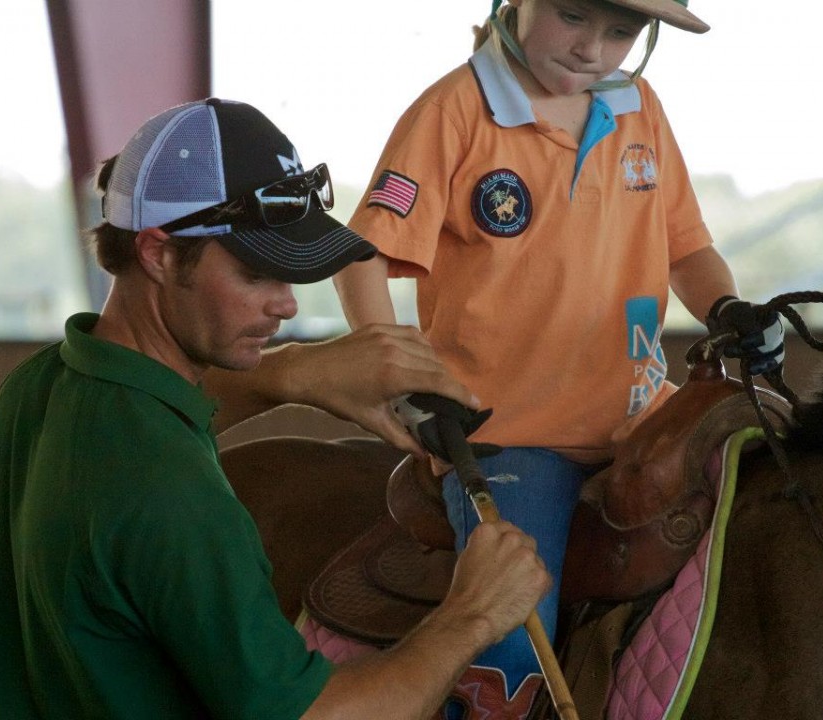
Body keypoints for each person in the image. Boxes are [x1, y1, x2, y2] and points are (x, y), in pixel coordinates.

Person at [0, 98, 552, 720]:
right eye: (257, 274)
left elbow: (142, 427)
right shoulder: (172, 492)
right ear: (158, 253)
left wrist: (291, 374)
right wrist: (472, 615)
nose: (286, 306)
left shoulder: (37, 390)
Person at [333, 0, 785, 702]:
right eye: (573, 17)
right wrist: (394, 369)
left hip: (644, 419)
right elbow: (362, 252)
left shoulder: (641, 108)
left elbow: (689, 248)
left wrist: (725, 308)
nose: (591, 51)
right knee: (512, 634)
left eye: (620, 32)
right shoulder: (454, 108)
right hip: (510, 435)